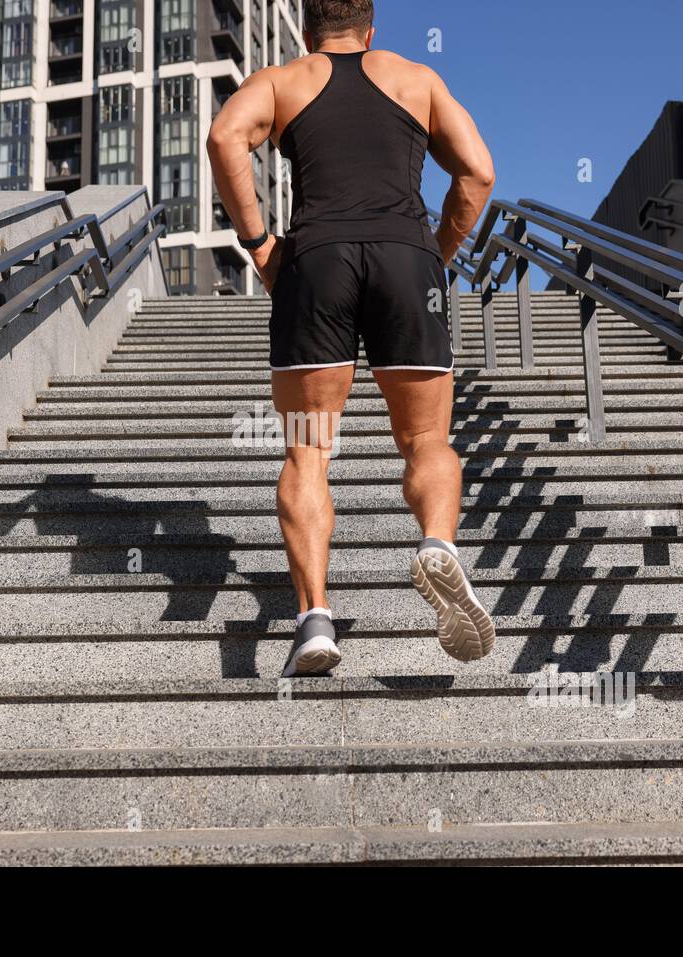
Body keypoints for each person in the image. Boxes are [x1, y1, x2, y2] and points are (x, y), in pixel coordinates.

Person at [206, 0, 496, 676]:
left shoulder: (283, 81)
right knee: (427, 441)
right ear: (371, 30)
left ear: (309, 31)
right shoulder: (415, 78)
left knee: (308, 452)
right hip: (406, 255)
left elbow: (225, 137)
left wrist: (260, 245)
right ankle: (439, 544)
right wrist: (435, 258)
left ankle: (314, 620)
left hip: (316, 261)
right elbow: (478, 172)